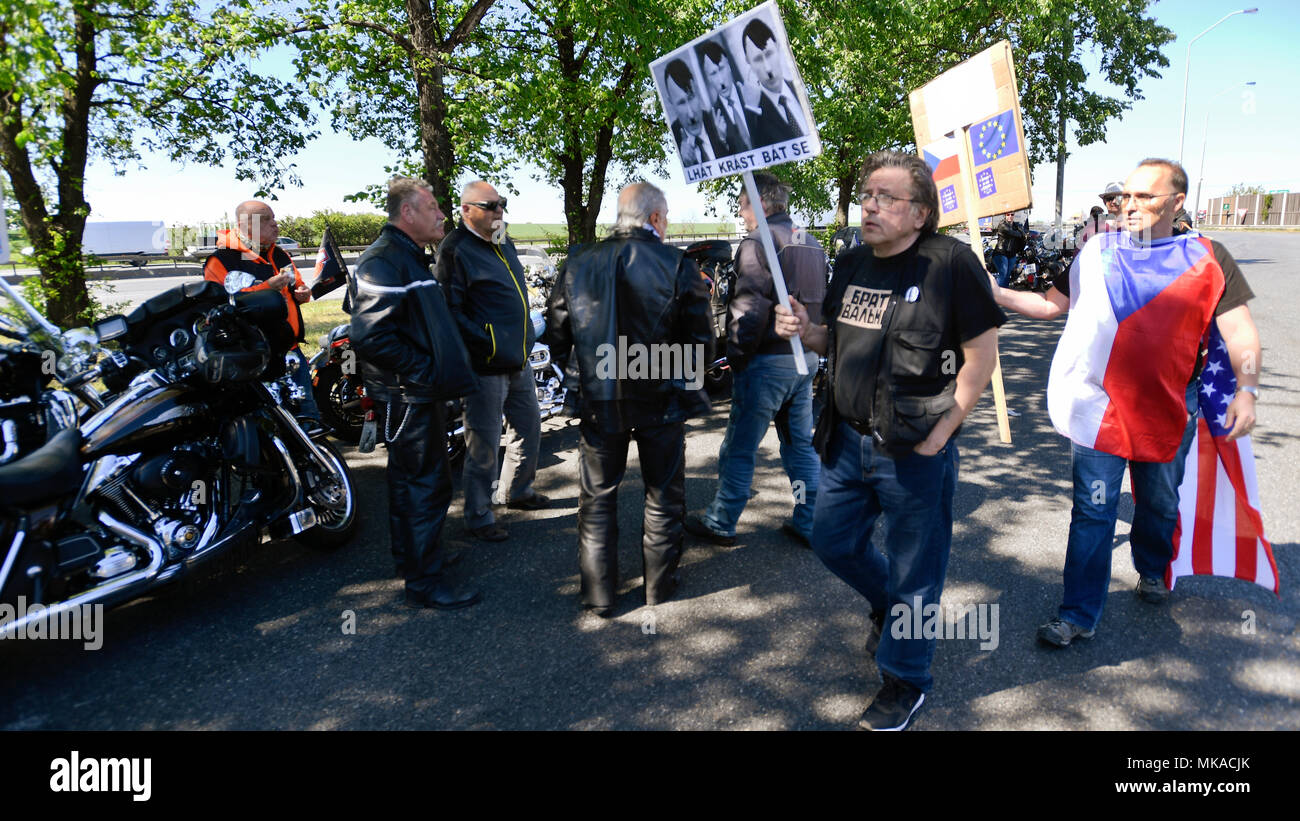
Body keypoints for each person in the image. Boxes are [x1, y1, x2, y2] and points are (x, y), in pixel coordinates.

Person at [988, 158, 1260, 648]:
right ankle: (1077, 613)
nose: (1129, 206)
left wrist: (1248, 389)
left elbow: (1239, 330)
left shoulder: (1209, 256)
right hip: (1098, 409)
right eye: (1126, 196)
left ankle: (1152, 566)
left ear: (1178, 202)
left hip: (1171, 406)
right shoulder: (1096, 252)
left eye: (1145, 197)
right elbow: (1052, 306)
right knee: (1092, 511)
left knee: (1158, 503)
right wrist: (997, 293)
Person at [774, 151, 1004, 731]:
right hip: (846, 443)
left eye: (886, 198)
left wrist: (945, 431)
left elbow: (981, 358)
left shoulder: (951, 265)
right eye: (867, 197)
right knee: (830, 541)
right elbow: (834, 341)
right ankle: (887, 607)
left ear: (921, 212)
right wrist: (806, 329)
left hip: (914, 451)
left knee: (916, 575)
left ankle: (905, 680)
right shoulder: (851, 263)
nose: (869, 206)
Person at [542, 182, 713, 617]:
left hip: (600, 396)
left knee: (597, 496)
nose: (668, 221)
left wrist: (586, 374)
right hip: (660, 397)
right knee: (662, 493)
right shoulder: (677, 265)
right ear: (655, 218)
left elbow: (558, 332)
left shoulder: (579, 261)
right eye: (667, 214)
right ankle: (659, 585)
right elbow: (701, 345)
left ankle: (599, 594)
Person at [348, 177, 481, 610]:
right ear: (408, 213)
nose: (443, 214)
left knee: (421, 482)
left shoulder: (406, 257)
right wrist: (427, 373)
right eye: (433, 207)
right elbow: (371, 337)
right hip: (408, 396)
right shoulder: (384, 261)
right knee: (421, 485)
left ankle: (417, 559)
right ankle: (424, 581)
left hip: (417, 394)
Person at [684, 172, 825, 548]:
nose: (741, 212)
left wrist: (737, 356)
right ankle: (810, 520)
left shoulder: (758, 242)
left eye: (744, 204)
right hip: (805, 357)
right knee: (799, 445)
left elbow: (748, 309)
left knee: (740, 446)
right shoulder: (810, 241)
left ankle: (721, 520)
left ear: (761, 203)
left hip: (767, 361)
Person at [436, 180, 547, 543]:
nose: (499, 211)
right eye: (491, 205)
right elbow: (450, 311)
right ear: (466, 210)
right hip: (485, 364)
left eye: (502, 204)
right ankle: (479, 514)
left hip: (517, 358)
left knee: (529, 426)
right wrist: (489, 341)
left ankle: (518, 491)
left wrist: (524, 336)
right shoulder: (455, 248)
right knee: (483, 443)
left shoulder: (501, 240)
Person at [203, 200, 319, 425]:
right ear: (244, 224)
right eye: (266, 220)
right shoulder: (222, 260)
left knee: (308, 421)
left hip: (290, 353)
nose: (275, 224)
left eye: (274, 218)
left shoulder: (280, 255)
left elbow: (297, 286)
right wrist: (267, 288)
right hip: (252, 359)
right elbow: (220, 307)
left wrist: (302, 292)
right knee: (269, 426)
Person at [739, 18, 806, 146]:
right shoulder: (754, 112)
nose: (768, 68)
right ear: (748, 61)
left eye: (769, 54)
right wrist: (752, 109)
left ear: (778, 48)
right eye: (758, 59)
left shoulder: (800, 90)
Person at [695, 40, 751, 156]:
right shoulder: (712, 121)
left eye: (721, 68)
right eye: (713, 74)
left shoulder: (751, 93)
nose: (720, 80)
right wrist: (722, 140)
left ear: (729, 65)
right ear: (708, 79)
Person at [663, 59, 720, 166]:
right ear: (671, 103)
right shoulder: (671, 145)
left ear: (697, 90)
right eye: (681, 103)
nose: (691, 114)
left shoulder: (718, 120)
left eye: (691, 97)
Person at [1075, 181, 1123, 246]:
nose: (1114, 201)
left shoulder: (1136, 227)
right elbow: (1080, 253)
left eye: (1118, 198)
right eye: (1110, 198)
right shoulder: (1091, 228)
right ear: (1104, 201)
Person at [989, 211, 1025, 288]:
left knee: (1008, 275)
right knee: (1003, 273)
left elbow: (1023, 235)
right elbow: (1013, 233)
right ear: (1005, 215)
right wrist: (1020, 233)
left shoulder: (1016, 226)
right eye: (1008, 214)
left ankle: (1004, 293)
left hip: (1011, 254)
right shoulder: (1002, 225)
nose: (1010, 216)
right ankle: (997, 294)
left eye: (1012, 215)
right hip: (1001, 253)